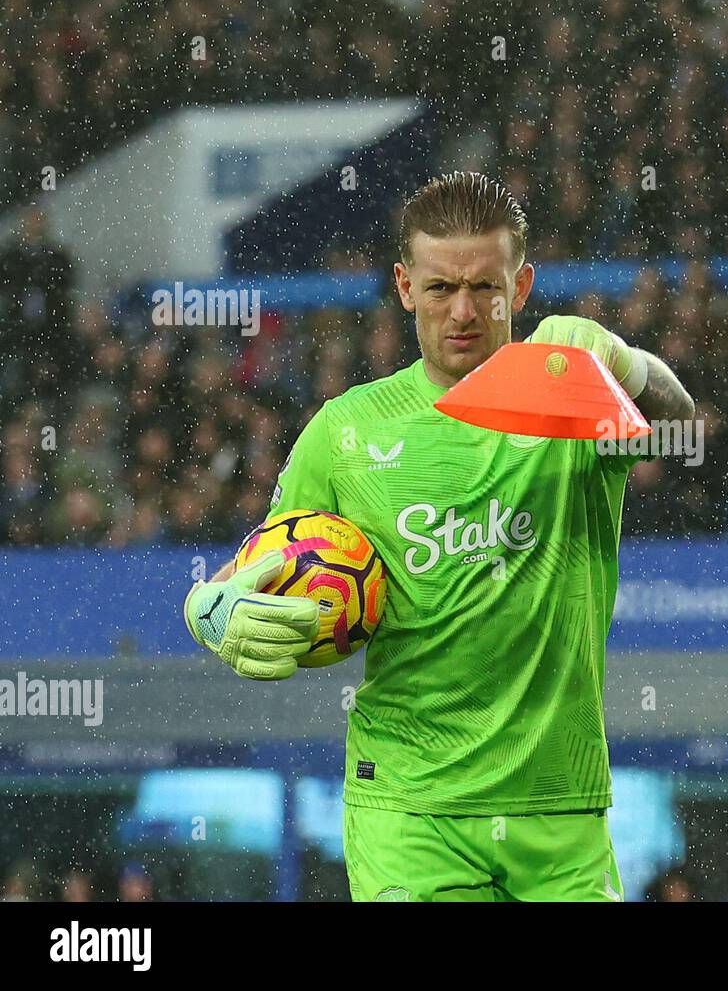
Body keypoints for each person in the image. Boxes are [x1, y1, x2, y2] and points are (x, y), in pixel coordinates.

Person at [181, 172, 694, 902]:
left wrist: (625, 361)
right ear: (403, 285)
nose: (463, 311)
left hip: (559, 808)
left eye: (485, 287)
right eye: (439, 287)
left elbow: (679, 427)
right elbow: (256, 567)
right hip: (407, 811)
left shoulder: (571, 396)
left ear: (520, 288)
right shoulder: (348, 430)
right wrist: (210, 609)